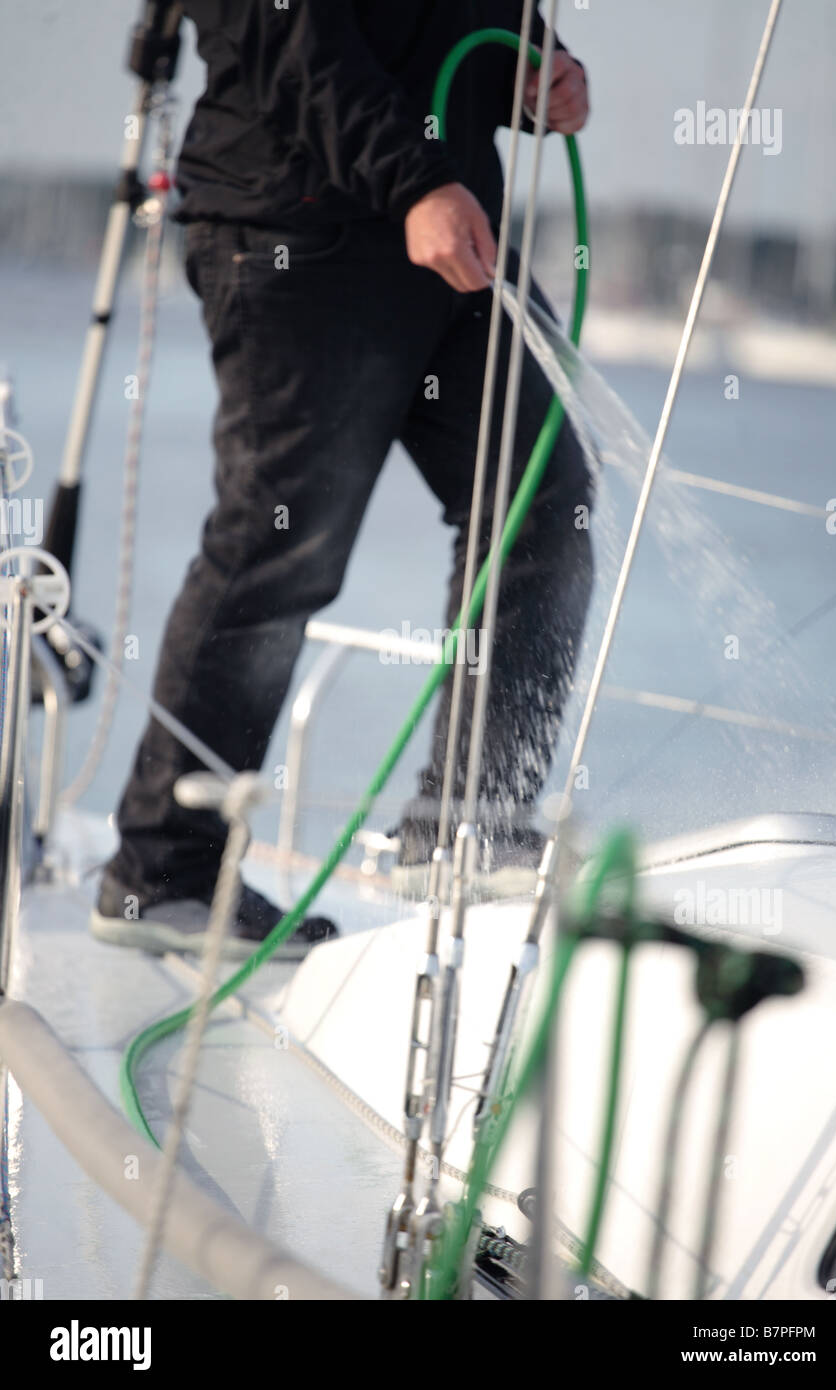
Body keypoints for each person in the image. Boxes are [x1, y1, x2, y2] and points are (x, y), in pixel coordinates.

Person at [90, 1, 594, 961]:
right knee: (282, 540)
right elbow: (286, 32)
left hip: (450, 228)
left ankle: (469, 825)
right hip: (302, 227)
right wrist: (414, 182)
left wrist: (539, 70)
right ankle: (162, 874)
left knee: (544, 500)